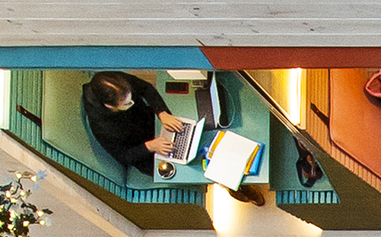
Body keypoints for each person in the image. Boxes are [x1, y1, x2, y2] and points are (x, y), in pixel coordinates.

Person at [81, 71, 261, 204]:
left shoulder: (115, 82)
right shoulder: (102, 125)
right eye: (127, 103)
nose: (133, 102)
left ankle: (232, 161)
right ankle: (230, 183)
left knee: (196, 128)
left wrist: (162, 113)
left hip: (155, 122)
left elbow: (144, 88)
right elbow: (123, 156)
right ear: (109, 106)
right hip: (146, 153)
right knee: (194, 161)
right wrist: (150, 146)